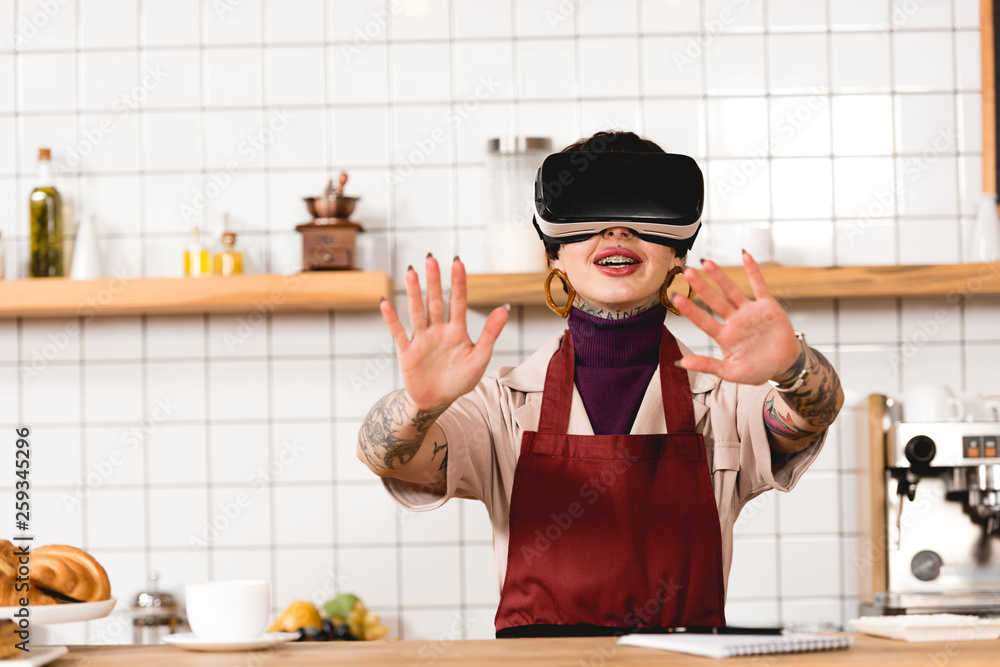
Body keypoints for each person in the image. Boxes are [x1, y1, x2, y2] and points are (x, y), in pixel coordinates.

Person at [357, 131, 844, 638]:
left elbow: (810, 413)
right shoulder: (501, 405)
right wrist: (418, 405)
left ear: (678, 251)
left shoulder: (725, 401)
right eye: (590, 216)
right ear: (554, 254)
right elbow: (385, 455)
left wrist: (794, 370)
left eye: (641, 214)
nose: (616, 232)